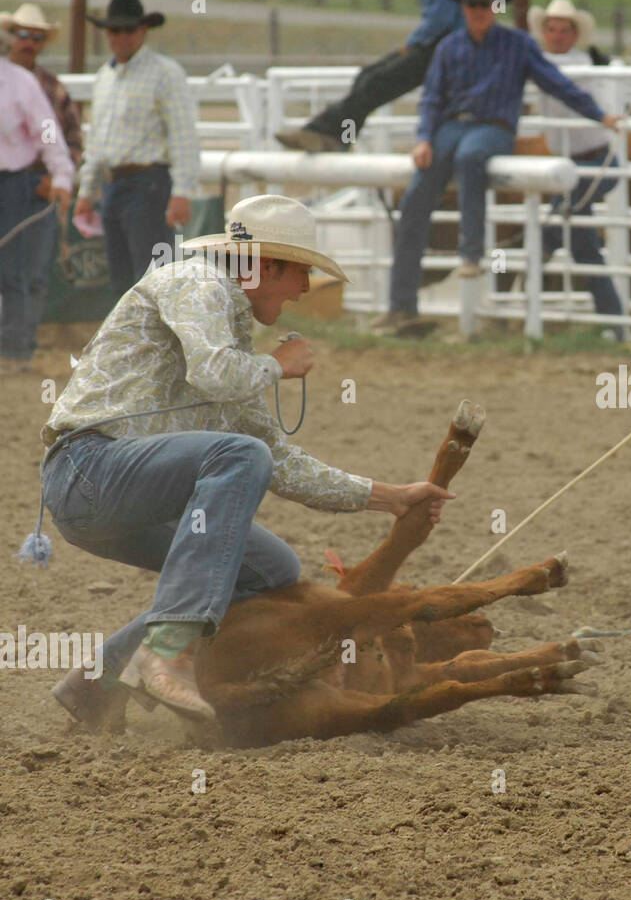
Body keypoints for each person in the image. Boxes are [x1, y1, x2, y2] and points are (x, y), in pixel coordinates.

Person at [43, 195, 455, 729]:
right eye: (301, 270)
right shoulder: (197, 282)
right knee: (238, 455)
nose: (306, 287)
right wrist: (276, 366)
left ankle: (95, 685)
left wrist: (390, 496)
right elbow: (218, 378)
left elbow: (276, 460)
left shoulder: (225, 328)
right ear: (263, 264)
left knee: (271, 571)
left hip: (110, 492)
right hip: (89, 469)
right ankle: (167, 648)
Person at [380, 0, 623, 329]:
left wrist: (599, 114)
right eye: (472, 4)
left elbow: (558, 84)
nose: (479, 11)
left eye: (484, 4)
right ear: (464, 7)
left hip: (494, 127)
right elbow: (432, 97)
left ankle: (473, 252)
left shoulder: (518, 46)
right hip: (454, 127)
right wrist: (425, 137)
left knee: (471, 157)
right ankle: (402, 304)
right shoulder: (450, 48)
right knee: (417, 197)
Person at [275, 0, 471, 153]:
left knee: (375, 81)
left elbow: (440, 19)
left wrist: (410, 45)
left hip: (445, 47)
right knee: (368, 77)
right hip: (438, 44)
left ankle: (322, 132)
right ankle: (337, 137)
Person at [74, 0, 199, 298]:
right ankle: (131, 344)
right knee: (120, 279)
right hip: (113, 185)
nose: (122, 37)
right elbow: (98, 141)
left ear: (143, 30)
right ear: (107, 33)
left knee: (153, 275)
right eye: (115, 30)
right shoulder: (104, 77)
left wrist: (182, 190)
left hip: (149, 184)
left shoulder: (164, 73)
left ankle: (157, 344)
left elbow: (183, 134)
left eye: (129, 29)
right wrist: (86, 190)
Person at [527, 0, 625, 340]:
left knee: (551, 231)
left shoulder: (578, 63)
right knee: (585, 247)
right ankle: (615, 324)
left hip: (595, 161)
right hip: (571, 166)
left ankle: (526, 313)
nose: (556, 35)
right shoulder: (544, 62)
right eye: (550, 29)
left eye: (563, 30)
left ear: (573, 34)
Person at [2, 3, 83, 365]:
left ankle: (17, 349)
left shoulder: (36, 85)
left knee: (23, 271)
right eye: (23, 35)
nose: (29, 43)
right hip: (18, 183)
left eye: (37, 37)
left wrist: (58, 178)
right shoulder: (25, 82)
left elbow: (59, 137)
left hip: (23, 183)